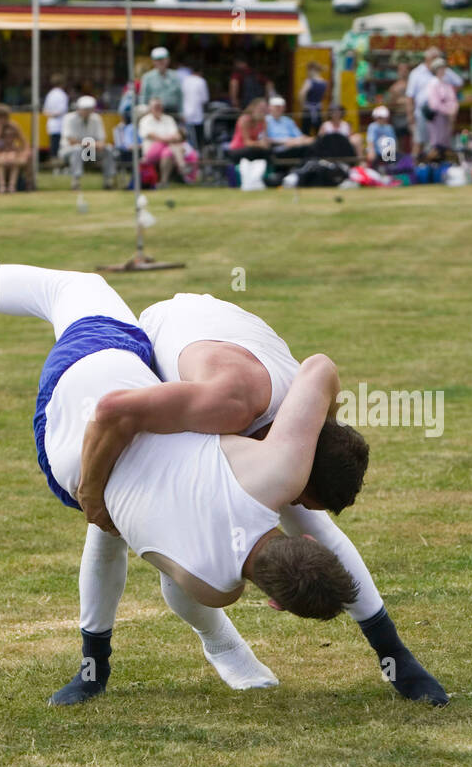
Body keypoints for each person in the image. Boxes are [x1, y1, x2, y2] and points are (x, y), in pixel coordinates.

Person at [0, 232, 375, 706]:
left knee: (72, 289)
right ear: (272, 600)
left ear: (305, 540)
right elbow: (172, 570)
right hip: (68, 458)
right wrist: (97, 498)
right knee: (117, 526)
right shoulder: (214, 589)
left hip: (96, 395)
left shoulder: (273, 471)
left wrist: (94, 490)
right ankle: (201, 655)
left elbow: (317, 369)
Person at [66, 291, 448, 707]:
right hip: (156, 346)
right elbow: (116, 414)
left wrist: (393, 652)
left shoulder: (291, 436)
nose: (296, 509)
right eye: (301, 496)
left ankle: (393, 656)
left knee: (191, 534)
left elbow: (320, 536)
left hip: (219, 329)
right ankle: (98, 665)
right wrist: (93, 493)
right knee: (108, 530)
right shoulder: (230, 417)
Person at [407, 47, 461, 157]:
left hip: (441, 116)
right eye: (434, 58)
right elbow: (410, 96)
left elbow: (458, 83)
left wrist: (449, 103)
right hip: (425, 114)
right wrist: (410, 116)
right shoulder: (418, 74)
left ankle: (438, 168)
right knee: (420, 142)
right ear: (427, 59)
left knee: (440, 144)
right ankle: (416, 169)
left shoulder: (444, 75)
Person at [61, 95, 116, 191]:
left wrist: (100, 145)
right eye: (85, 109)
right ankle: (76, 182)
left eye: (89, 109)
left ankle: (108, 181)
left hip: (91, 152)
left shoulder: (96, 118)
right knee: (77, 149)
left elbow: (101, 139)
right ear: (78, 109)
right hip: (68, 151)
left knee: (108, 149)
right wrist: (91, 144)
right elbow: (71, 141)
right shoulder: (69, 118)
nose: (87, 112)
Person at [138, 95, 187, 186]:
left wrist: (170, 139)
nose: (158, 108)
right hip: (151, 152)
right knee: (174, 145)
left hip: (167, 149)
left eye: (159, 106)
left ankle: (164, 181)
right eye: (155, 106)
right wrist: (170, 139)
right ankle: (182, 165)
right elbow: (154, 137)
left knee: (168, 152)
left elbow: (177, 136)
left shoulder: (169, 119)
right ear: (150, 108)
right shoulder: (145, 120)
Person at [0, 103, 29, 194]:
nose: (1, 120)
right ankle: (2, 186)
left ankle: (12, 186)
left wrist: (23, 154)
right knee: (1, 161)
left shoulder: (14, 126)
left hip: (12, 153)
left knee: (14, 160)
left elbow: (24, 143)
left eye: (3, 117)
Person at [423, 57, 460, 155]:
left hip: (447, 119)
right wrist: (448, 111)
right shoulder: (433, 83)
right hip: (437, 119)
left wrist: (453, 110)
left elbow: (453, 99)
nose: (442, 70)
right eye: (440, 68)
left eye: (443, 68)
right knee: (436, 144)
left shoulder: (446, 83)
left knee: (446, 143)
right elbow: (434, 104)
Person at [139, 46, 182, 122]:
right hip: (155, 115)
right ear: (153, 61)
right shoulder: (147, 77)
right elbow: (143, 97)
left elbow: (180, 96)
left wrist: (182, 113)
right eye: (157, 60)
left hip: (173, 113)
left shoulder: (175, 76)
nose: (160, 62)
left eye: (162, 59)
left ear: (168, 60)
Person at [228, 97, 271, 165]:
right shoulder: (245, 119)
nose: (263, 111)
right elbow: (247, 142)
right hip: (238, 149)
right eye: (261, 109)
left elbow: (264, 139)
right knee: (258, 152)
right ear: (253, 108)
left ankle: (270, 174)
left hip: (254, 148)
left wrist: (265, 143)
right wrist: (260, 144)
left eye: (264, 109)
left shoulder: (263, 121)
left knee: (268, 151)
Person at [180, 62, 209, 150]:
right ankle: (196, 154)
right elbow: (205, 99)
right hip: (197, 115)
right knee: (197, 138)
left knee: (188, 137)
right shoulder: (201, 81)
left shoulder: (185, 80)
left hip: (185, 113)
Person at [42, 73, 69, 159]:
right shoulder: (62, 95)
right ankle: (57, 164)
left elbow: (45, 111)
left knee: (53, 146)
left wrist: (51, 115)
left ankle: (54, 162)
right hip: (61, 124)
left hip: (51, 124)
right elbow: (62, 111)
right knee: (59, 146)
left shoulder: (50, 94)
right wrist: (54, 115)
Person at [300, 62, 328, 135]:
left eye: (308, 70)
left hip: (308, 109)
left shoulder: (309, 82)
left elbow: (302, 94)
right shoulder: (324, 83)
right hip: (318, 109)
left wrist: (303, 105)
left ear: (312, 70)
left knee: (305, 131)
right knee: (318, 131)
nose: (307, 72)